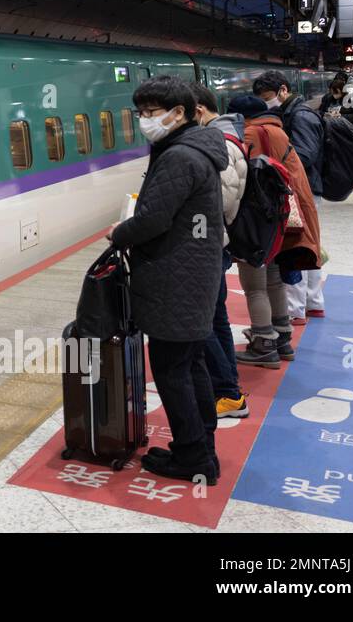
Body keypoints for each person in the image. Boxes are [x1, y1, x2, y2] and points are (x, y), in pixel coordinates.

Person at [108, 76, 226, 483]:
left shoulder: (179, 157)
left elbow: (154, 220)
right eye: (140, 113)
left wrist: (119, 233)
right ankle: (201, 448)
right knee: (191, 365)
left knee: (173, 371)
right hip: (193, 273)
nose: (144, 120)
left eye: (151, 113)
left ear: (180, 113)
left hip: (176, 278)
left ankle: (193, 458)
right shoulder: (197, 147)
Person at [227, 94, 322, 368]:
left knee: (254, 287)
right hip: (279, 220)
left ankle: (263, 344)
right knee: (274, 280)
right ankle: (282, 338)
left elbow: (240, 179)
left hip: (257, 222)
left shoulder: (249, 135)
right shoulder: (278, 132)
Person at [191, 83, 249, 419]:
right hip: (217, 243)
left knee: (206, 321)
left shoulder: (220, 143)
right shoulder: (225, 135)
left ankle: (228, 392)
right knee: (216, 318)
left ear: (197, 110)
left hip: (210, 246)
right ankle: (228, 388)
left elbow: (220, 204)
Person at [253, 70, 326, 319]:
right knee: (310, 245)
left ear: (284, 90)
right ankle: (313, 302)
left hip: (302, 189)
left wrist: (276, 164)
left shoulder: (301, 116)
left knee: (298, 245)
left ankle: (296, 309)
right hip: (303, 187)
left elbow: (305, 155)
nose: (266, 102)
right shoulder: (291, 112)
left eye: (268, 96)